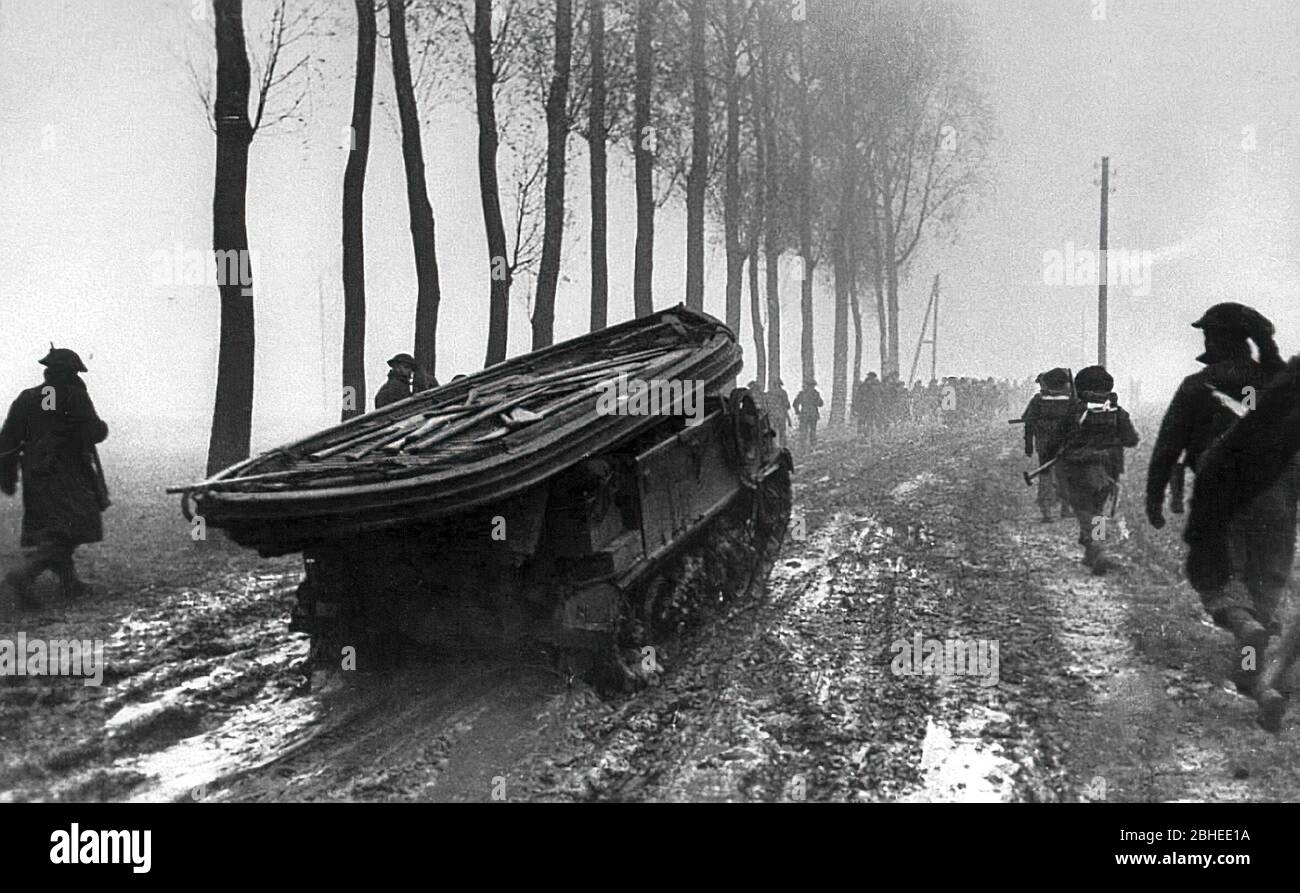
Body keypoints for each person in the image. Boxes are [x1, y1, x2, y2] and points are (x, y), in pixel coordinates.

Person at [1147, 302, 1295, 706]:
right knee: (1265, 585)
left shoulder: (1198, 387)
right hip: (1279, 502)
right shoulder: (1281, 383)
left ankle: (1247, 635)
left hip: (1222, 499)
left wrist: (1154, 498)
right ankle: (1252, 674)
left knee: (1217, 579)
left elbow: (1166, 449)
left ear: (1215, 339)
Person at [0, 347, 109, 611]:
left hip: (35, 474)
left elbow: (8, 439)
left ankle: (69, 582)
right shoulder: (74, 395)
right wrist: (100, 428)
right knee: (69, 525)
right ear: (69, 372)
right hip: (68, 472)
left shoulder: (27, 397)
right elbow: (93, 430)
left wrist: (8, 473)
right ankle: (22, 576)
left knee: (53, 525)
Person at [1057, 365, 1139, 574]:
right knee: (1098, 511)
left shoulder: (1076, 411)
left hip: (1078, 467)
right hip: (1109, 469)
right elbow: (1132, 439)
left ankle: (1096, 547)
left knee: (1083, 509)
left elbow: (1058, 439)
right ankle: (1092, 551)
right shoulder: (1116, 411)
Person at [1021, 367, 1074, 522]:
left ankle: (1047, 511)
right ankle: (1064, 508)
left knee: (1046, 476)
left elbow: (1029, 423)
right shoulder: (1071, 401)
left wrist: (1028, 444)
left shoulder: (1038, 400)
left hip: (1045, 445)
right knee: (1065, 476)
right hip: (1064, 444)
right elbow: (1077, 425)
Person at [792, 379, 824, 448]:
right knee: (807, 432)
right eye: (811, 386)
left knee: (809, 431)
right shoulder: (812, 393)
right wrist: (798, 412)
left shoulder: (805, 393)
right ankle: (807, 446)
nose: (811, 387)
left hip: (808, 415)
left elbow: (821, 404)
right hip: (809, 415)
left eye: (812, 386)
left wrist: (798, 412)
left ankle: (808, 446)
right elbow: (795, 404)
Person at [767, 378, 791, 448]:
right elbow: (787, 405)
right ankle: (782, 446)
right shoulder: (783, 393)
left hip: (772, 415)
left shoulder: (769, 393)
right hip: (780, 414)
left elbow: (766, 404)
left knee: (772, 431)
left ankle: (773, 445)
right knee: (782, 432)